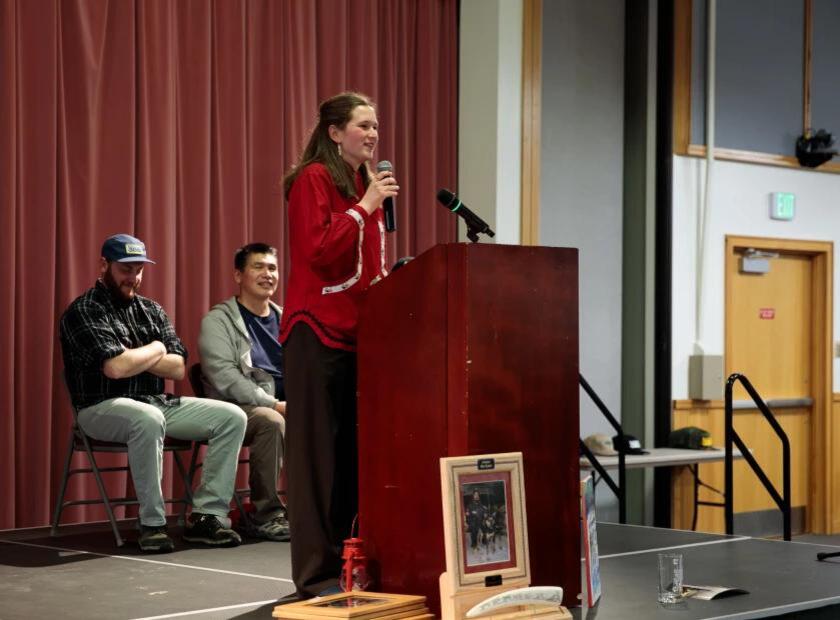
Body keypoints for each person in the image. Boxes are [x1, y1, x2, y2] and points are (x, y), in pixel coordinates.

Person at [280, 92, 399, 598]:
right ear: (334, 132)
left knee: (352, 460)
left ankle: (352, 561)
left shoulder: (362, 182)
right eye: (362, 126)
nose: (372, 135)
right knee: (317, 463)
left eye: (375, 126)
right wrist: (366, 208)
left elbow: (368, 266)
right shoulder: (313, 179)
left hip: (359, 337)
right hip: (315, 332)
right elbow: (321, 253)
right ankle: (315, 573)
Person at [59, 233, 247, 553]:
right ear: (104, 265)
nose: (133, 277)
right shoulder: (85, 310)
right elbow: (115, 368)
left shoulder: (152, 310)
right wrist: (158, 348)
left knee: (232, 416)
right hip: (99, 407)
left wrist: (137, 357)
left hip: (157, 403)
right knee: (146, 419)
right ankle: (152, 524)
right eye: (125, 269)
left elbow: (176, 368)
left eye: (138, 270)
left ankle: (207, 517)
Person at [198, 242, 290, 542]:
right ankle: (268, 515)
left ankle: (332, 513)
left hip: (288, 403)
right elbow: (226, 379)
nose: (268, 274)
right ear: (238, 275)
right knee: (271, 421)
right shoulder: (218, 321)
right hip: (237, 408)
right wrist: (275, 404)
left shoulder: (287, 318)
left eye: (272, 268)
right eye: (258, 267)